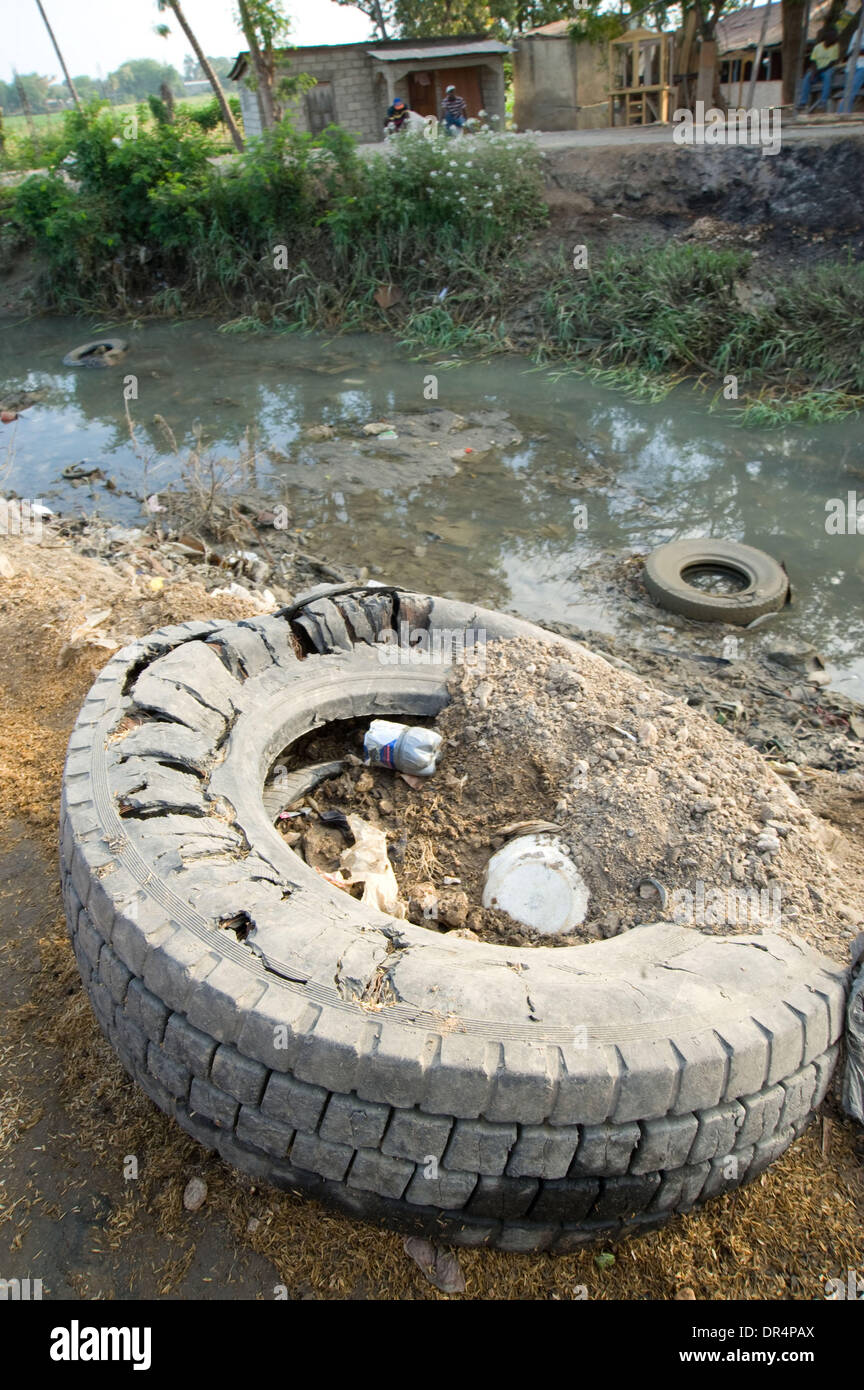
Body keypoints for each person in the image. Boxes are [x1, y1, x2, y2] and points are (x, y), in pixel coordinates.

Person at [798, 25, 840, 109]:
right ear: (827, 38)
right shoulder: (817, 47)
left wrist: (818, 72)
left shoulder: (835, 47)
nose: (834, 40)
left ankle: (823, 101)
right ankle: (803, 102)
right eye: (833, 38)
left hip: (827, 69)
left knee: (827, 76)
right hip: (817, 70)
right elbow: (813, 61)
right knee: (807, 77)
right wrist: (814, 72)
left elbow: (831, 63)